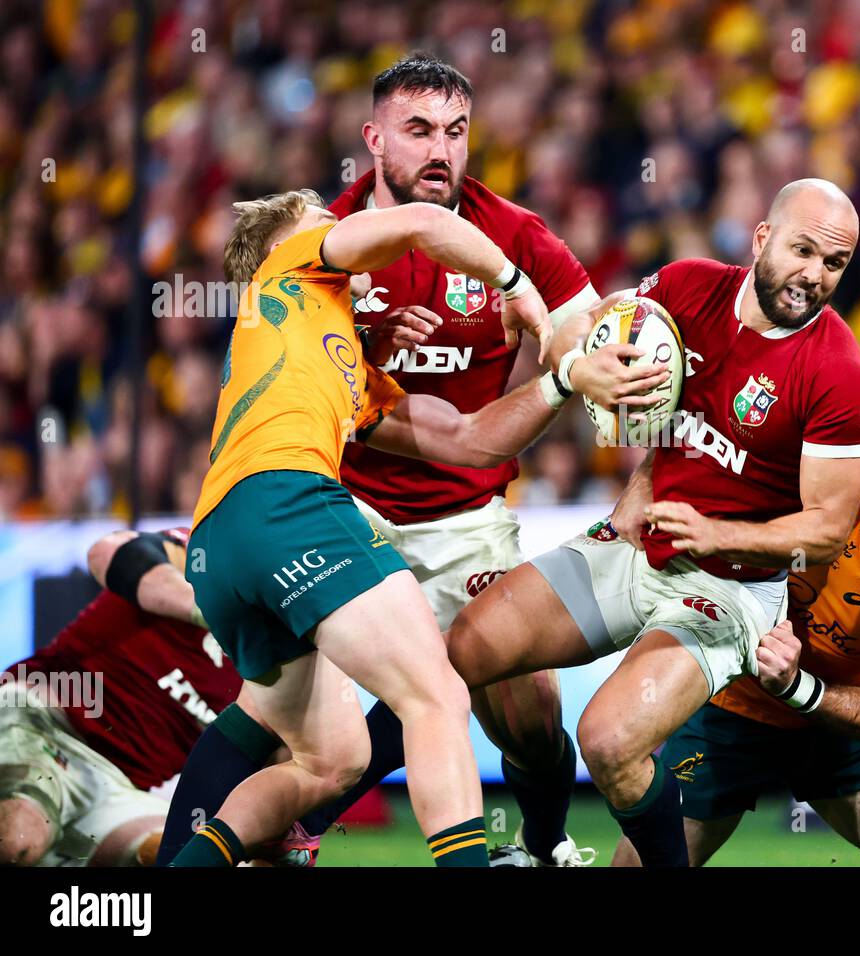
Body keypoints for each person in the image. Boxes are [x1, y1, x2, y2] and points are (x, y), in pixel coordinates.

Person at [300, 177, 860, 867]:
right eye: (803, 250)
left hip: (728, 588)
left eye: (833, 263)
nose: (812, 274)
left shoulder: (840, 374)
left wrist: (718, 533)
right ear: (762, 239)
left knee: (608, 742)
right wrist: (583, 376)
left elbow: (824, 527)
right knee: (457, 655)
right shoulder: (688, 288)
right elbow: (609, 337)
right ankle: (309, 828)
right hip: (635, 547)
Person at [157, 54, 647, 868]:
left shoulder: (497, 237)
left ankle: (540, 840)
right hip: (330, 510)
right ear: (373, 139)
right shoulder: (323, 239)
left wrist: (574, 363)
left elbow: (474, 432)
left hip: (417, 515)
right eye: (418, 131)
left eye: (456, 133)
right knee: (432, 697)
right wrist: (514, 289)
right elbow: (429, 233)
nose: (440, 151)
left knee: (346, 743)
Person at [611, 439, 860, 866]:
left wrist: (797, 687)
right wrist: (642, 482)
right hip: (729, 705)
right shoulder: (835, 484)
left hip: (839, 723)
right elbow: (709, 449)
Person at [0, 528, 240, 866]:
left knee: (197, 859)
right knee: (18, 837)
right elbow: (108, 552)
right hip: (45, 721)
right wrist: (213, 614)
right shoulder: (210, 556)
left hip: (118, 789)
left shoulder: (291, 661)